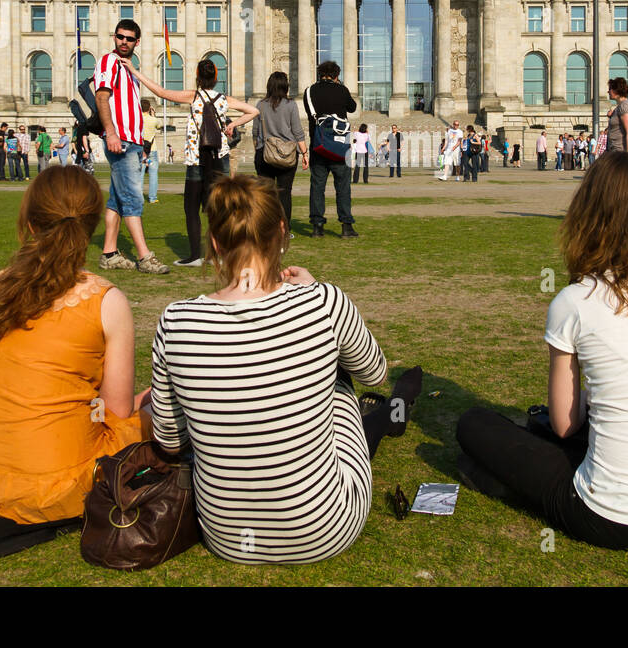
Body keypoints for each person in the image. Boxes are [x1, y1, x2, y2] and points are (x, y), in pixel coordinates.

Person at [456, 150, 628, 552]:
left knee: (475, 423)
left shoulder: (575, 301)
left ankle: (500, 482)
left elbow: (565, 424)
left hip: (615, 517)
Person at [148, 175, 422, 564]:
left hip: (225, 536)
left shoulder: (176, 321)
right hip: (327, 529)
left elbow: (171, 441)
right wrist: (316, 293)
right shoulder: (322, 302)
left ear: (214, 242)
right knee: (339, 383)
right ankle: (382, 420)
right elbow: (374, 373)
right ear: (281, 231)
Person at [0, 165, 146, 523]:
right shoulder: (104, 300)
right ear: (92, 225)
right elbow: (117, 414)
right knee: (166, 401)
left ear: (31, 224)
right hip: (51, 487)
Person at [124, 55, 257, 264]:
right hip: (219, 156)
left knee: (191, 207)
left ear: (198, 77)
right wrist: (232, 125)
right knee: (217, 208)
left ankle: (195, 255)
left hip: (197, 157)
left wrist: (133, 70)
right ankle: (218, 255)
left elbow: (160, 91)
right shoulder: (224, 99)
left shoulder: (193, 97)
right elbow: (253, 110)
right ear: (216, 77)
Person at [93, 19, 169, 274]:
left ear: (137, 41)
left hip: (133, 142)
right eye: (120, 37)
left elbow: (132, 108)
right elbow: (102, 97)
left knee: (116, 200)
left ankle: (109, 254)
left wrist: (142, 144)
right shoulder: (109, 62)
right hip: (120, 140)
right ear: (114, 37)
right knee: (133, 198)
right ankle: (145, 256)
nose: (123, 42)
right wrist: (111, 133)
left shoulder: (128, 68)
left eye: (129, 38)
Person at [304, 60, 359, 238]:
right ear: (336, 75)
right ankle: (346, 226)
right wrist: (340, 86)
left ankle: (317, 226)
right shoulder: (341, 90)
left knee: (317, 187)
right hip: (339, 147)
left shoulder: (309, 91)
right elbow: (352, 107)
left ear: (320, 74)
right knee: (343, 187)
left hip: (318, 145)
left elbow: (309, 113)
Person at [252, 70, 308, 234]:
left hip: (264, 154)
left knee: (266, 194)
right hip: (288, 154)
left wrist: (258, 149)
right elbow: (298, 132)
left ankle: (266, 227)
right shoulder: (291, 105)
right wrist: (304, 153)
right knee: (284, 193)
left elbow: (255, 132)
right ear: (285, 87)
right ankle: (284, 229)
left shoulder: (261, 105)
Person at [605, 78, 628, 154]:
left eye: (610, 89)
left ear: (616, 90)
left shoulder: (624, 106)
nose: (608, 91)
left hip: (621, 152)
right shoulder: (620, 107)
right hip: (615, 151)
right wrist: (612, 116)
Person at [139, 101, 160, 204]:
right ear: (149, 108)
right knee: (153, 174)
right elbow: (159, 126)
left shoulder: (137, 119)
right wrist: (153, 114)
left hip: (141, 149)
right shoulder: (153, 120)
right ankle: (152, 197)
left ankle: (139, 197)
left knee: (140, 174)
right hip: (152, 149)